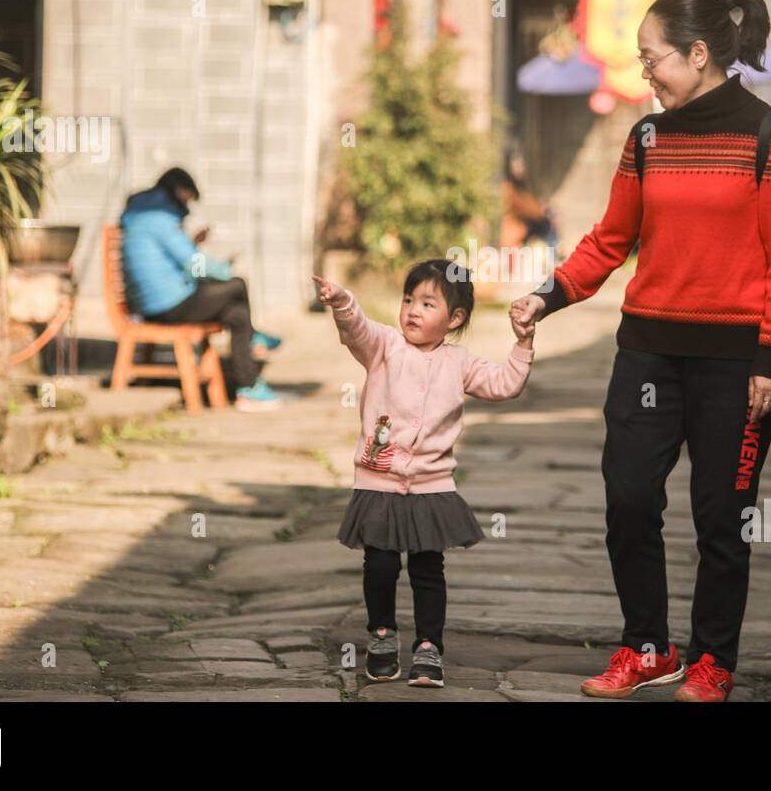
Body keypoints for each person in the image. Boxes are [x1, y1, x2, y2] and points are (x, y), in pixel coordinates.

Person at [510, 0, 771, 702]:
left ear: (699, 55)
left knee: (721, 517)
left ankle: (712, 661)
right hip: (647, 352)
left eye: (652, 59)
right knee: (629, 500)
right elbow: (611, 240)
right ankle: (647, 648)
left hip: (735, 363)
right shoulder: (646, 138)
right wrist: (545, 296)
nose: (644, 72)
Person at [313, 260, 534, 687]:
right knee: (379, 565)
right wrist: (343, 303)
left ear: (454, 319)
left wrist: (523, 343)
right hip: (378, 481)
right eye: (408, 299)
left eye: (427, 303)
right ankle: (381, 636)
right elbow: (358, 328)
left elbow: (505, 384)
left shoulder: (461, 362)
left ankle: (429, 647)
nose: (413, 310)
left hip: (432, 487)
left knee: (428, 570)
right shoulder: (384, 347)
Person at [119, 167, 283, 411]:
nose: (188, 206)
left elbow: (170, 261)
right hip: (167, 305)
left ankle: (248, 388)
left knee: (236, 315)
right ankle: (253, 343)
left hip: (157, 301)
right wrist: (225, 269)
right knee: (237, 285)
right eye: (187, 198)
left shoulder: (145, 214)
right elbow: (193, 264)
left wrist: (193, 245)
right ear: (177, 191)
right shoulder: (159, 218)